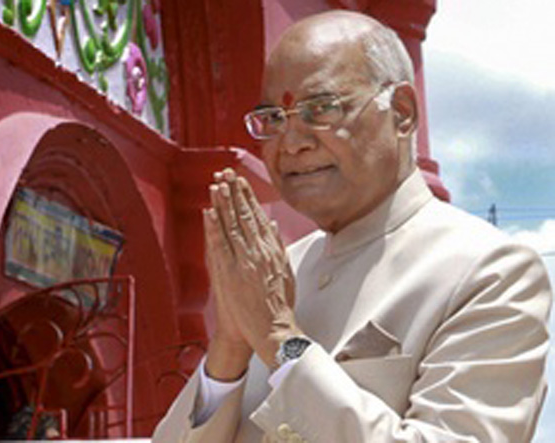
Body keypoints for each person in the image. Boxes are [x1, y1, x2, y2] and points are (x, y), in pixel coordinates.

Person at [153, 10, 552, 443]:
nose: (291, 143)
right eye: (273, 118)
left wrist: (279, 339)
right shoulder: (275, 272)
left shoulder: (488, 270)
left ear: (401, 112)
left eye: (321, 109)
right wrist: (231, 346)